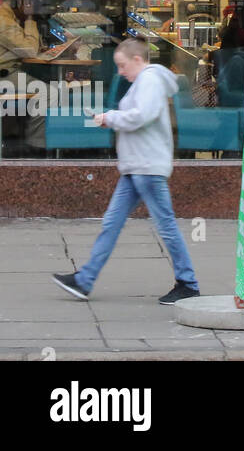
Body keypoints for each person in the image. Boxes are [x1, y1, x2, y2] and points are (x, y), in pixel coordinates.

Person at [50, 38, 200, 305]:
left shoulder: (149, 81)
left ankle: (188, 283)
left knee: (164, 225)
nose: (120, 71)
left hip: (146, 167)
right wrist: (112, 119)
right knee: (112, 223)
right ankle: (84, 280)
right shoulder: (145, 82)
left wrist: (110, 118)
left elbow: (142, 116)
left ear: (138, 60)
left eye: (122, 65)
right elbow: (140, 116)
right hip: (136, 166)